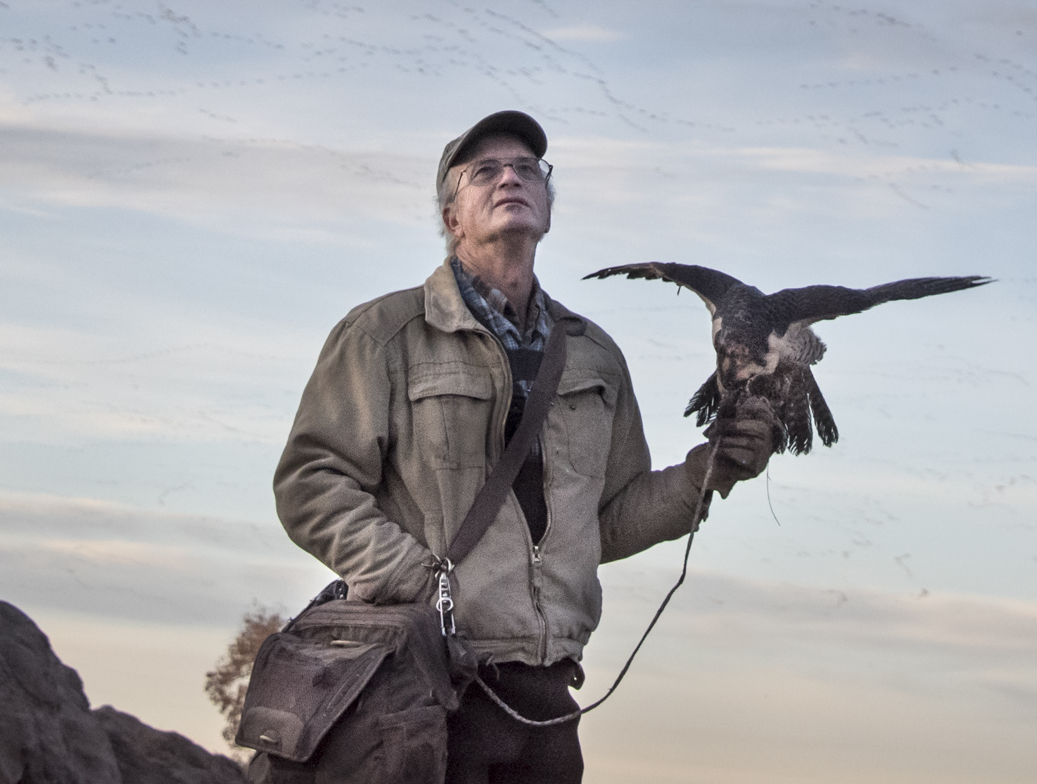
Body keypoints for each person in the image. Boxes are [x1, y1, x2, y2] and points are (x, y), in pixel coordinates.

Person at [275, 110, 775, 783]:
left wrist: (707, 472)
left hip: (546, 702)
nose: (511, 176)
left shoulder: (595, 355)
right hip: (422, 689)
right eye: (486, 170)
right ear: (453, 217)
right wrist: (416, 579)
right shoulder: (385, 334)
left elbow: (608, 519)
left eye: (527, 168)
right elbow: (311, 482)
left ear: (546, 203)